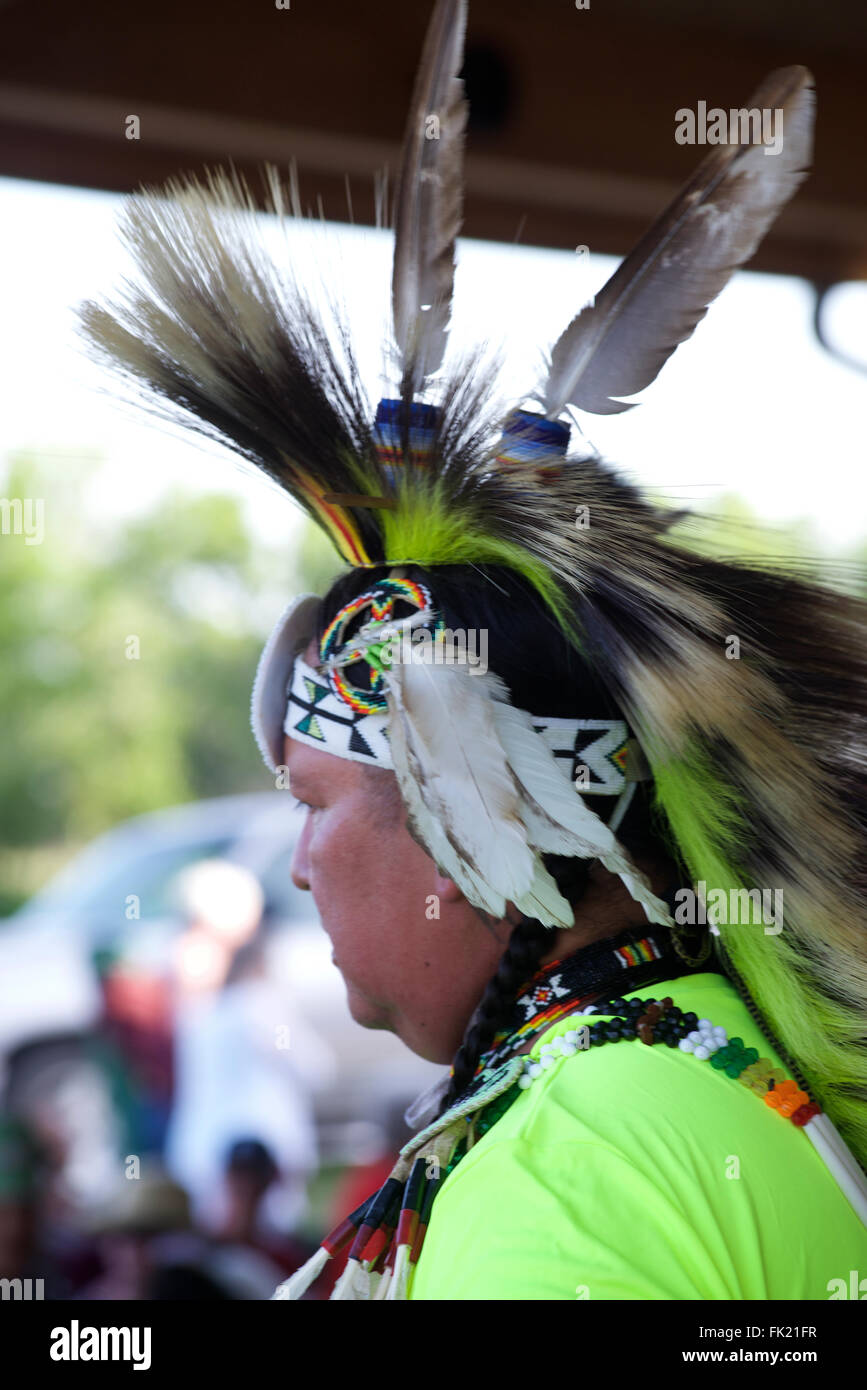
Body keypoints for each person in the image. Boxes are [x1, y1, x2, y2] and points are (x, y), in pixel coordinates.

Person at [77, 0, 867, 1300]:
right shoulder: (700, 1069)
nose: (298, 859)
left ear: (472, 810)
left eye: (317, 798)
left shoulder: (577, 1163)